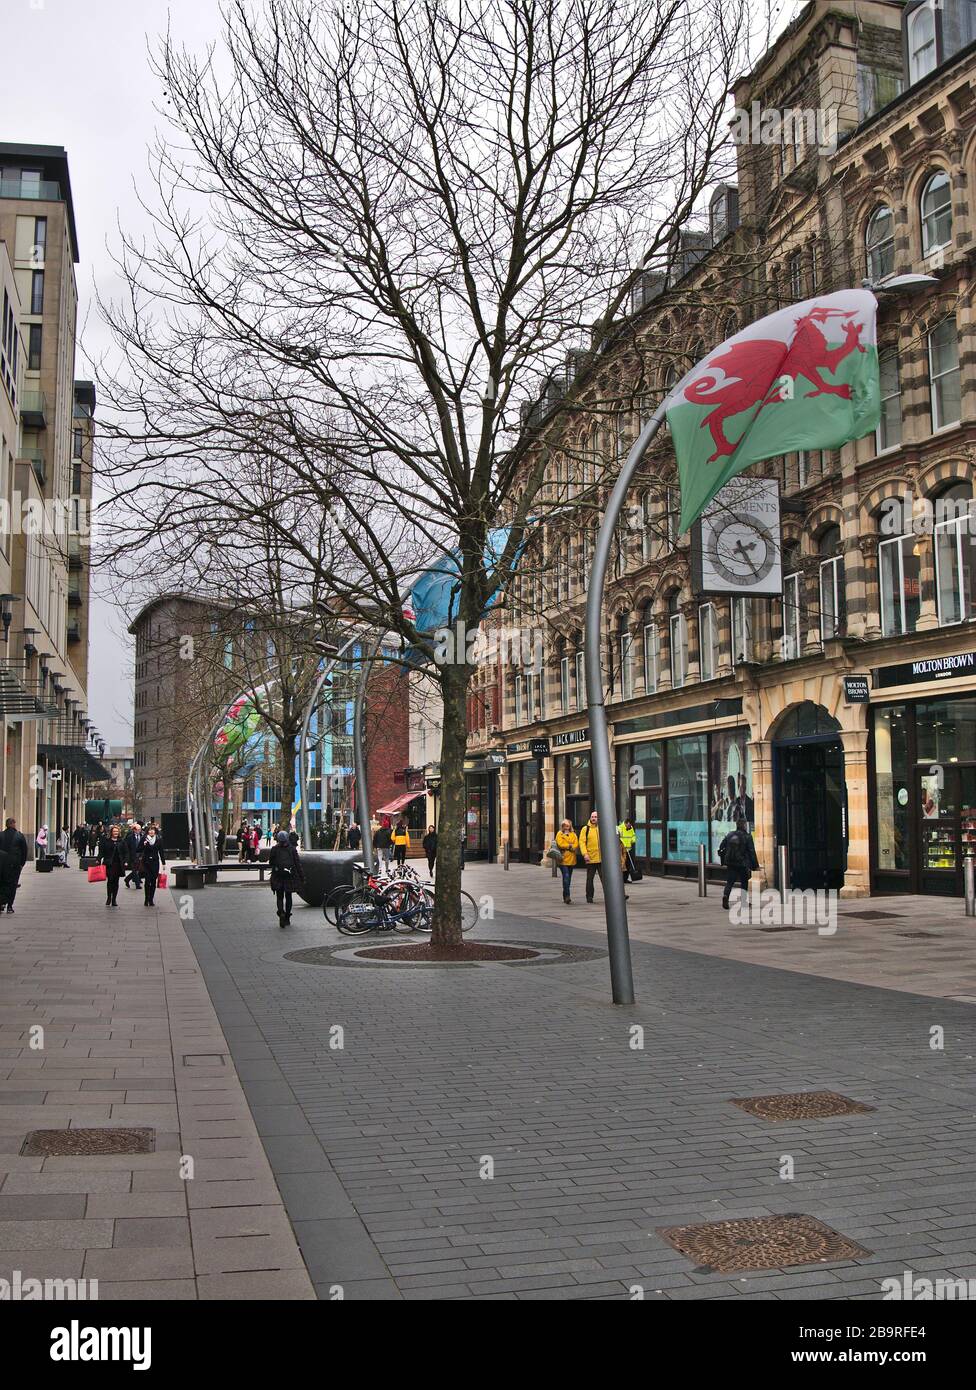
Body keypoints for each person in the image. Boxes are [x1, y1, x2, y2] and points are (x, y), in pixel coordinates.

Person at [718, 816, 759, 910]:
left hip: (731, 862)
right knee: (744, 882)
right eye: (745, 824)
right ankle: (744, 902)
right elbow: (751, 851)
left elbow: (721, 846)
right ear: (744, 825)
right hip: (742, 863)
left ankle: (726, 896)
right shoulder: (747, 836)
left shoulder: (730, 834)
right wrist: (755, 865)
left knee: (730, 882)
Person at [269, 829, 304, 927]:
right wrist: (302, 877)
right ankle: (287, 917)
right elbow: (297, 864)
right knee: (288, 896)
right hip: (289, 876)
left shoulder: (274, 849)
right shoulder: (292, 849)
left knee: (279, 897)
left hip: (278, 876)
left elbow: (271, 862)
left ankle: (281, 912)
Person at [0, 818, 28, 913]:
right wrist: (22, 864)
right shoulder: (19, 836)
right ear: (12, 824)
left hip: (2, 864)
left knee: (2, 883)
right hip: (14, 865)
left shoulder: (1, 835)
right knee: (13, 885)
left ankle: (1, 903)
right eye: (15, 823)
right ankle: (10, 906)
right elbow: (25, 850)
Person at [98, 824, 127, 908]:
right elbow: (101, 851)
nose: (116, 833)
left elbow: (126, 852)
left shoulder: (122, 841)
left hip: (118, 864)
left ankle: (114, 899)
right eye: (114, 831)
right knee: (110, 880)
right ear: (111, 832)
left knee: (116, 882)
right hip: (109, 864)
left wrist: (125, 861)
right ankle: (109, 897)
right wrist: (98, 859)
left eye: (117, 831)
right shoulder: (106, 840)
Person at [578, 810, 603, 904]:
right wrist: (585, 854)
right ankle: (589, 896)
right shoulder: (586, 829)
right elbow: (582, 842)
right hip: (590, 858)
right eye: (592, 817)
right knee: (590, 878)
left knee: (605, 879)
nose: (593, 818)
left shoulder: (602, 828)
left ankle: (610, 896)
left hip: (601, 858)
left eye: (595, 817)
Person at [140, 825, 166, 906]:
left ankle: (151, 899)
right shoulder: (144, 839)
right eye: (150, 830)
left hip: (155, 862)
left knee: (153, 881)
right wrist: (143, 845)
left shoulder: (158, 840)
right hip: (146, 862)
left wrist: (163, 863)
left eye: (153, 830)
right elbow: (138, 849)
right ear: (147, 831)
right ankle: (146, 899)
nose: (151, 832)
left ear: (155, 831)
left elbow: (161, 851)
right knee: (147, 881)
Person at [555, 819, 579, 904]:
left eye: (568, 825)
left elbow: (576, 844)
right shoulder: (559, 834)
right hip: (563, 859)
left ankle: (565, 894)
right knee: (566, 877)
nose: (566, 827)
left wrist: (570, 846)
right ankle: (567, 896)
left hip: (572, 859)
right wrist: (569, 846)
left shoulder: (573, 834)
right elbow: (560, 844)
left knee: (568, 878)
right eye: (564, 825)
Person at [124, 822, 143, 890]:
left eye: (140, 829)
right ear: (134, 830)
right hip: (132, 856)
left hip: (140, 856)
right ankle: (137, 885)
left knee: (136, 870)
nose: (139, 831)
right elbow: (126, 847)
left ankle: (127, 879)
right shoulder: (130, 837)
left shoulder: (142, 836)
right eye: (138, 829)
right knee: (135, 870)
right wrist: (127, 857)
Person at [617, 817, 637, 882]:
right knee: (623, 864)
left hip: (629, 849)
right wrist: (622, 843)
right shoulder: (619, 828)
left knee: (628, 864)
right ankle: (621, 878)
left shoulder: (631, 828)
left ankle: (625, 879)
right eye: (628, 825)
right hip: (622, 850)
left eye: (630, 825)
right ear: (625, 823)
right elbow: (617, 837)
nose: (629, 826)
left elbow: (633, 835)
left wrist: (633, 840)